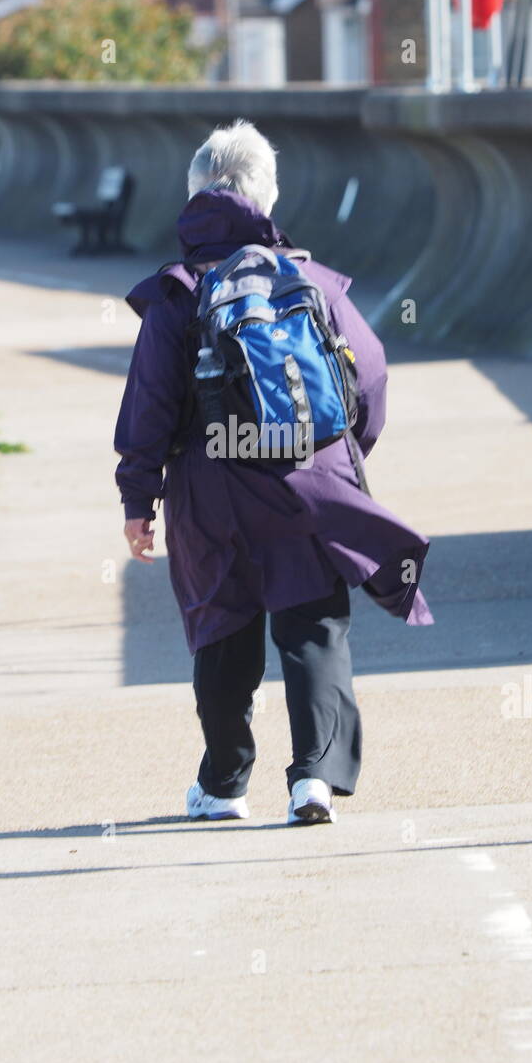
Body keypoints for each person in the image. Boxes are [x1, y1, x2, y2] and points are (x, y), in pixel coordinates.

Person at [114, 120, 432, 826]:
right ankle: (313, 779)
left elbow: (150, 405)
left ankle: (225, 786)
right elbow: (370, 377)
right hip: (305, 473)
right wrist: (339, 460)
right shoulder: (309, 280)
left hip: (209, 482)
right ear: (270, 194)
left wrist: (140, 498)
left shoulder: (177, 292)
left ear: (195, 194)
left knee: (222, 625)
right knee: (312, 624)